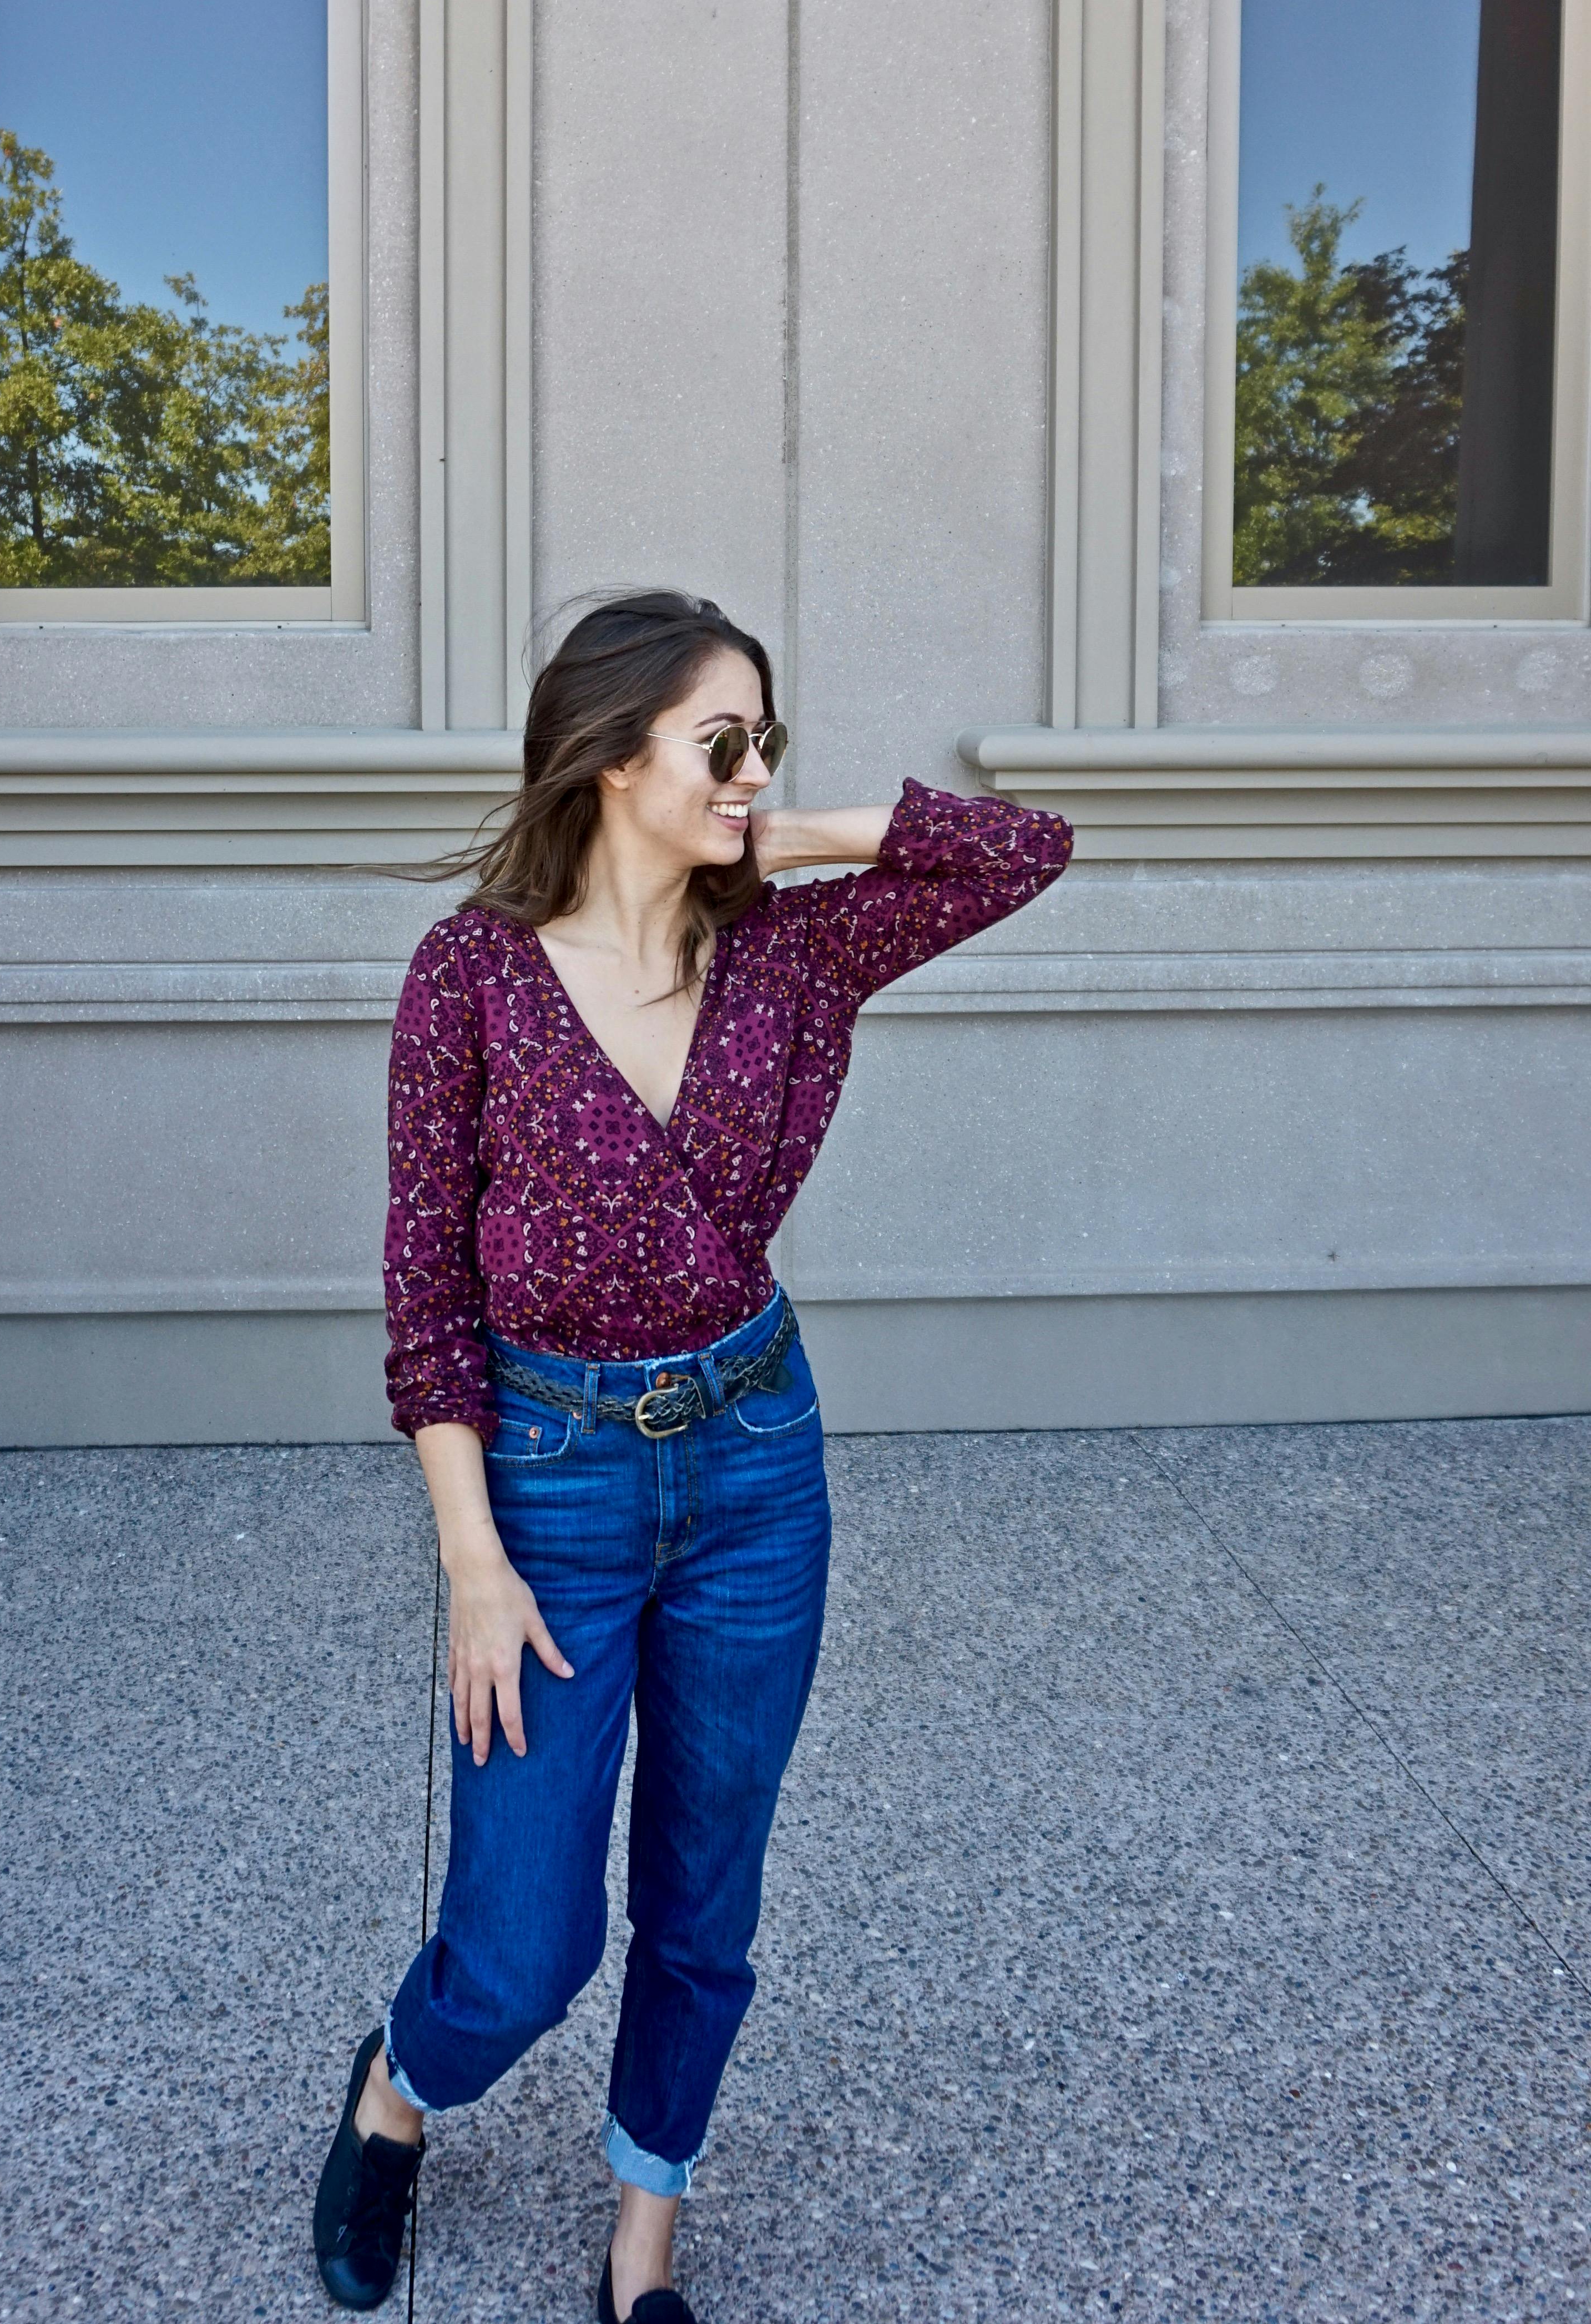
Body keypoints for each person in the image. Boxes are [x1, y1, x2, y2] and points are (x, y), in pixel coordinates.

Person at [312, 591, 1072, 2322]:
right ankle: (400, 2086)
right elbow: (424, 1295)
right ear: (609, 755)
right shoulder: (474, 977)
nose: (749, 769)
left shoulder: (795, 953)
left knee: (704, 1899)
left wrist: (780, 828)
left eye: (764, 736)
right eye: (717, 742)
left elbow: (1027, 847)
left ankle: (644, 2234)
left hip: (751, 1464)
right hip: (552, 1483)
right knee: (523, 1948)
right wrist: (474, 1560)